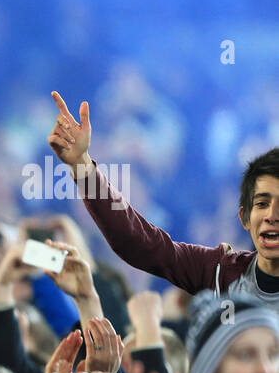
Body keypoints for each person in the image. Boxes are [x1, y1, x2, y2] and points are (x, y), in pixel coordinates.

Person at [48, 91, 279, 303]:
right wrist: (83, 167)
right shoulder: (222, 272)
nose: (272, 215)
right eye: (262, 203)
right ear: (245, 218)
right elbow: (139, 243)